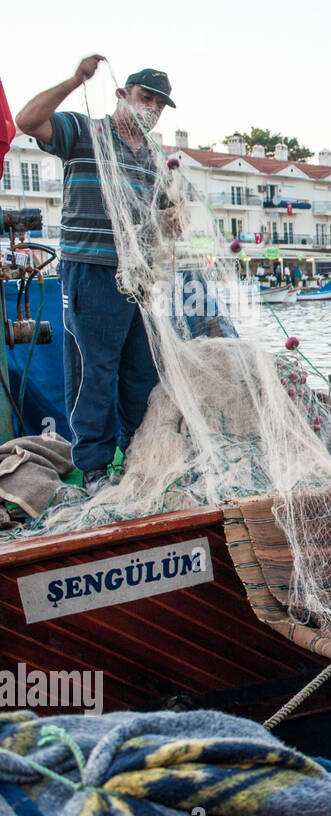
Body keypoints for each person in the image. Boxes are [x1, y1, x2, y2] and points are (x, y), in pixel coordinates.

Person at [16, 56, 175, 493]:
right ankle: (95, 468)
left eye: (160, 105)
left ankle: (138, 456)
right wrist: (73, 79)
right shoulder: (85, 132)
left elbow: (160, 213)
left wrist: (172, 218)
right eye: (147, 98)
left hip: (139, 278)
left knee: (142, 374)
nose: (152, 109)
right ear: (123, 94)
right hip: (91, 271)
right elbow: (28, 120)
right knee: (94, 372)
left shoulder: (156, 157)